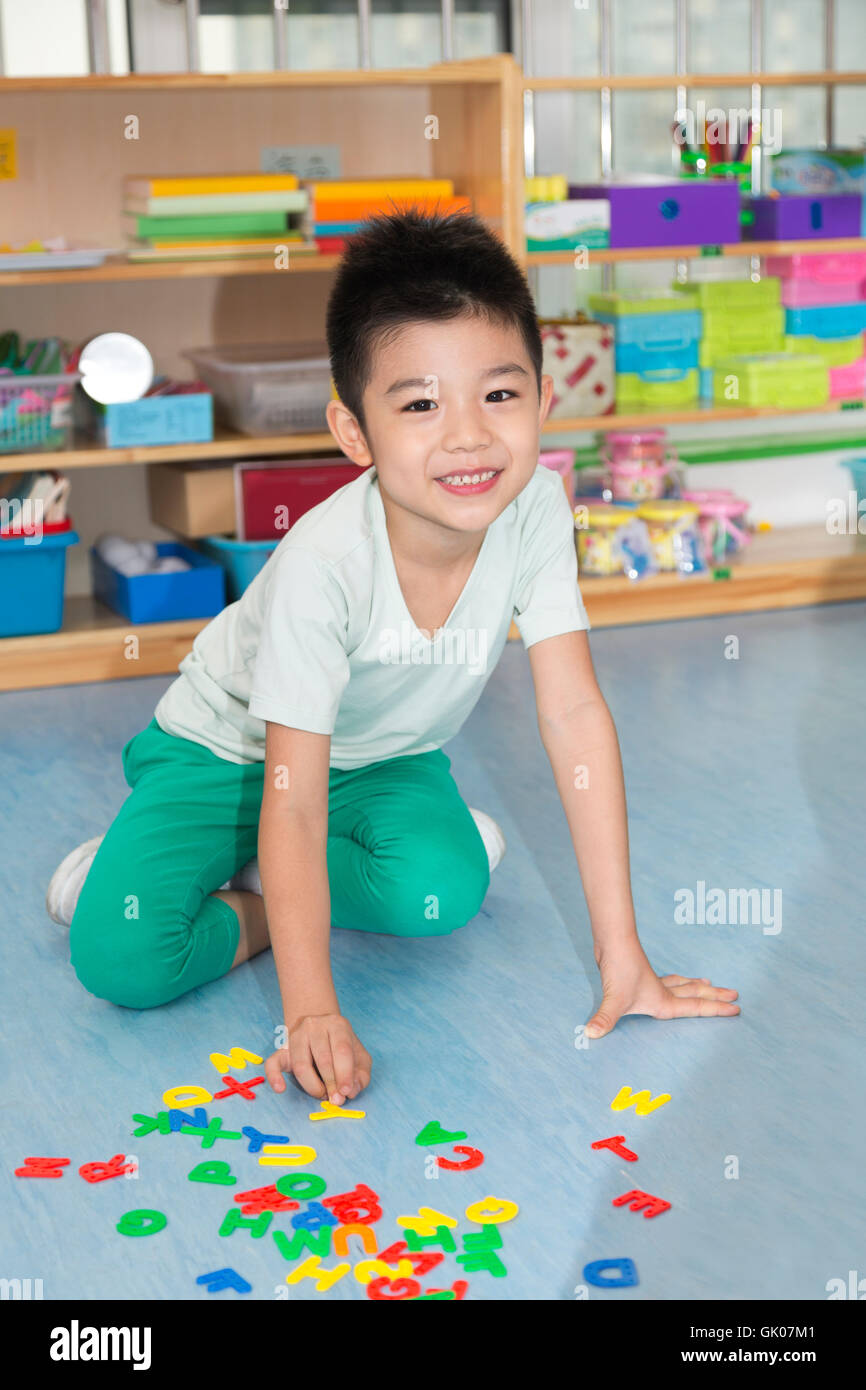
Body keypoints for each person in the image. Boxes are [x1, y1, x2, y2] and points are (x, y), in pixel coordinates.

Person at [47, 209, 738, 1109]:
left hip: (378, 760)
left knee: (443, 895)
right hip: (232, 757)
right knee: (125, 959)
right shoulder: (323, 566)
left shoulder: (534, 508)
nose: (468, 438)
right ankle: (136, 868)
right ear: (354, 432)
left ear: (541, 399)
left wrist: (626, 958)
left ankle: (257, 888)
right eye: (419, 405)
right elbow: (290, 801)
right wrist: (311, 1014)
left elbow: (572, 714)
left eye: (500, 395)